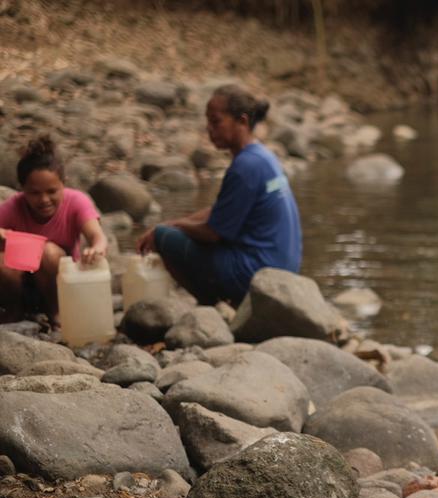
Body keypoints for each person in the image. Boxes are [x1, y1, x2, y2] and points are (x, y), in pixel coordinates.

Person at [136, 84, 301, 305]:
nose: (209, 130)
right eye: (208, 122)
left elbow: (213, 233)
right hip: (284, 270)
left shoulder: (245, 167)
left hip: (259, 277)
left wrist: (168, 229)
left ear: (242, 121)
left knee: (163, 238)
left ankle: (211, 304)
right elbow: (221, 211)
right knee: (172, 230)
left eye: (216, 121)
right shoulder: (263, 156)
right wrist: (176, 222)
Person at [0, 136, 108, 321]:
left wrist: (97, 248)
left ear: (63, 184)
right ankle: (14, 314)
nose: (44, 200)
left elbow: (97, 236)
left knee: (46, 252)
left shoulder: (76, 202)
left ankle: (57, 315)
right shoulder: (14, 206)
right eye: (34, 193)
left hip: (62, 285)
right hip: (22, 288)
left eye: (51, 191)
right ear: (22, 189)